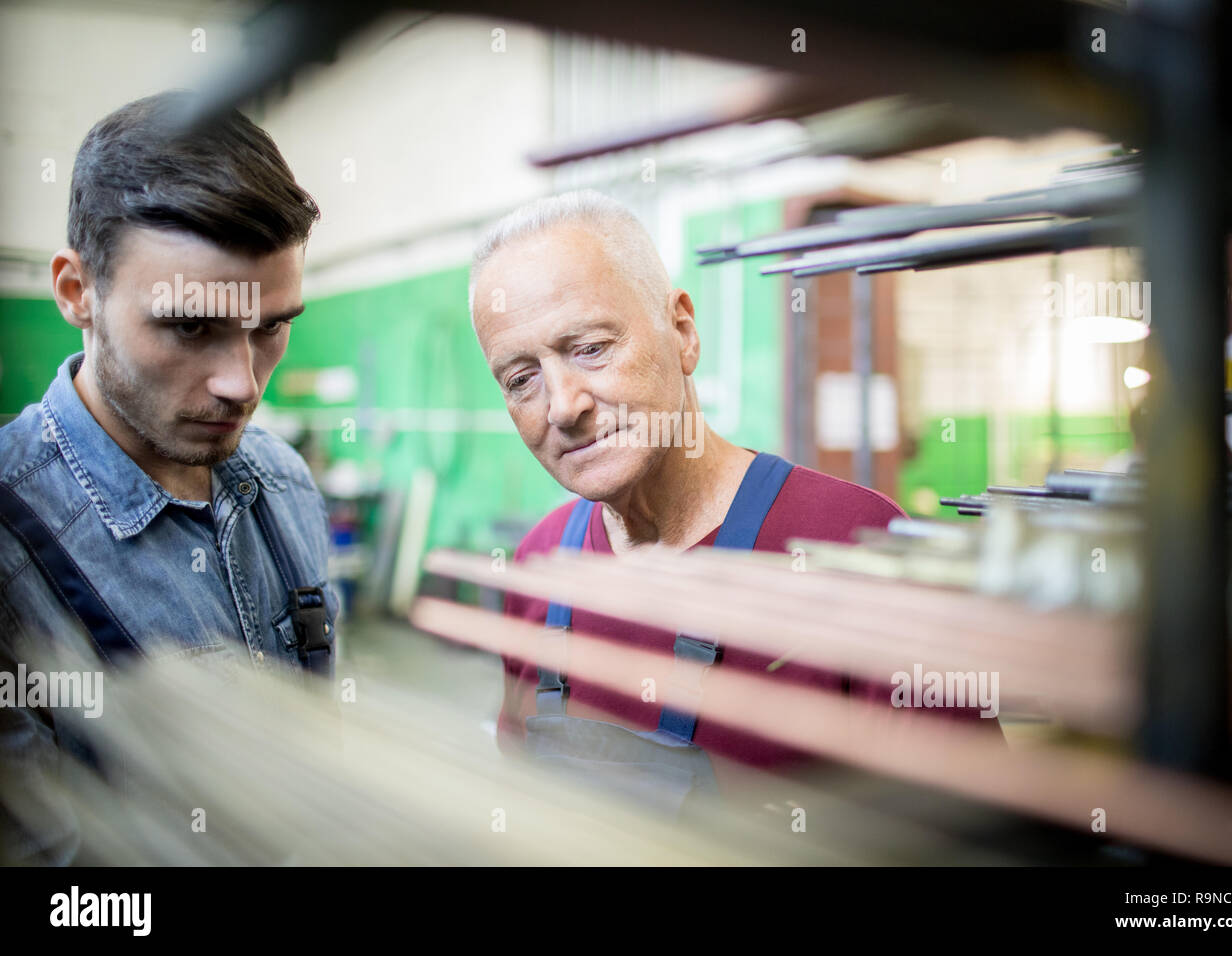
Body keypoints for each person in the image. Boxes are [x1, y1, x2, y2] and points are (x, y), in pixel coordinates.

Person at [468, 190, 999, 815]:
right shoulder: (539, 565)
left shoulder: (857, 544)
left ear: (683, 332)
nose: (562, 406)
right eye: (521, 379)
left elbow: (969, 839)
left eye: (590, 348)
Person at [0, 91, 339, 864]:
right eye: (191, 326)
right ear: (75, 292)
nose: (243, 384)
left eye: (273, 325)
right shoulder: (11, 556)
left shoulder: (282, 484)